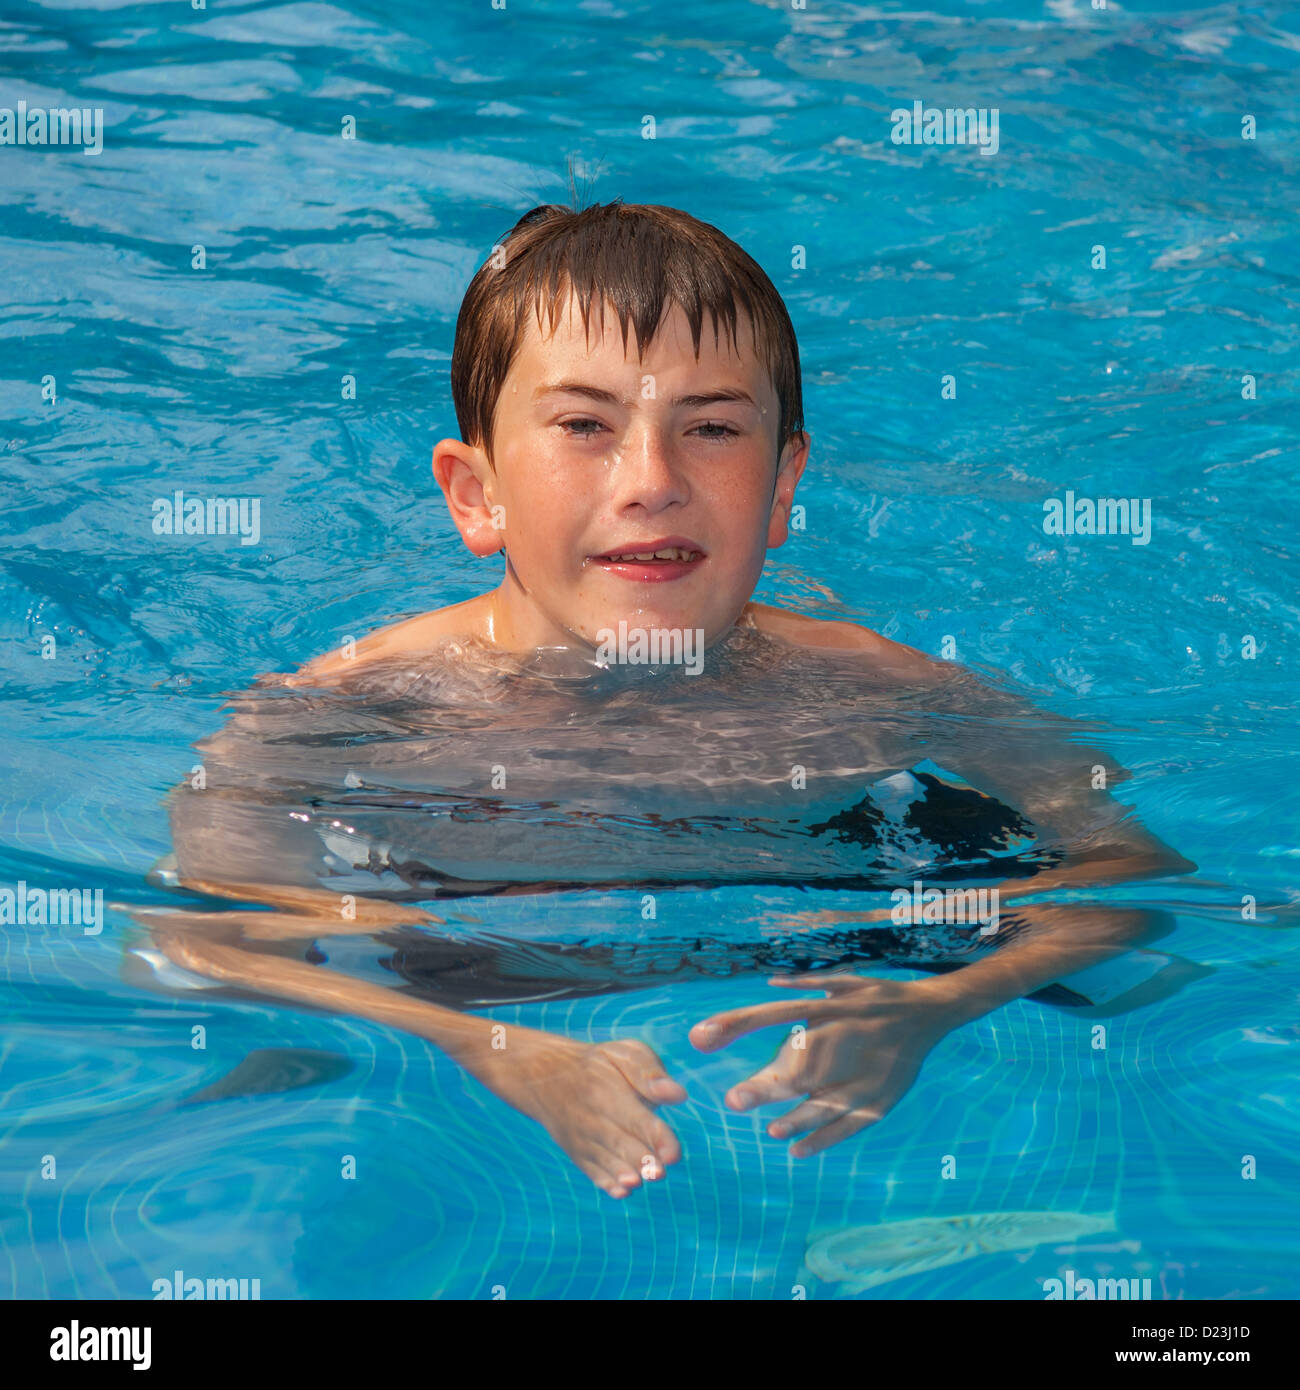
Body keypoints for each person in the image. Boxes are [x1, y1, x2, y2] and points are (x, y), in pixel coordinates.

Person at [141, 200, 1195, 1199]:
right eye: (584, 427)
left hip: (828, 913)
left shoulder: (875, 694)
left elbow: (1134, 870)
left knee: (1152, 988)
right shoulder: (352, 719)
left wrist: (934, 1006)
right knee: (265, 1055)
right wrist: (485, 1044)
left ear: (782, 488)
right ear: (478, 493)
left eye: (713, 429)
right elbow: (204, 940)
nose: (650, 478)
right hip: (455, 952)